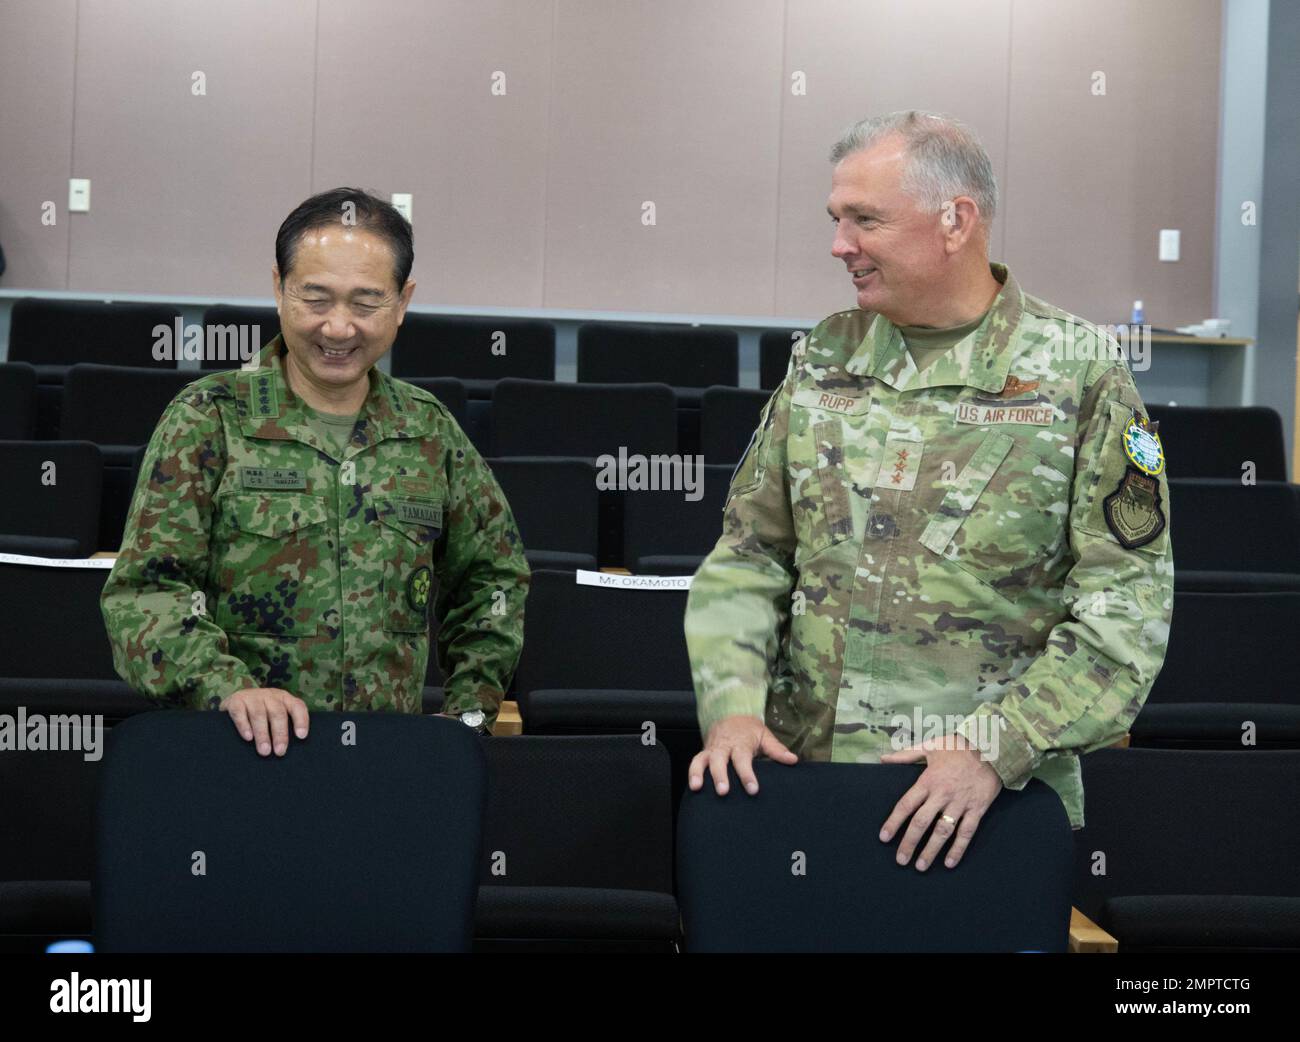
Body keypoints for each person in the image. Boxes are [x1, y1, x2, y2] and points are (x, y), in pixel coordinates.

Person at [684, 111, 1173, 872]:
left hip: (980, 814)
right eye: (836, 219)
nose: (839, 244)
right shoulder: (824, 356)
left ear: (956, 221)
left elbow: (1127, 607)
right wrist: (732, 707)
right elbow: (750, 556)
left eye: (865, 219)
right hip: (801, 785)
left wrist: (996, 747)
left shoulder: (1080, 373)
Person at [102, 188, 529, 755]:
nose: (338, 327)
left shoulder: (430, 432)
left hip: (386, 762)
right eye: (316, 298)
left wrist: (469, 713)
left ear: (402, 302)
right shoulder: (210, 418)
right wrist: (228, 688)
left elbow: (493, 578)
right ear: (279, 288)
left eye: (366, 302)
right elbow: (145, 592)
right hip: (237, 753)